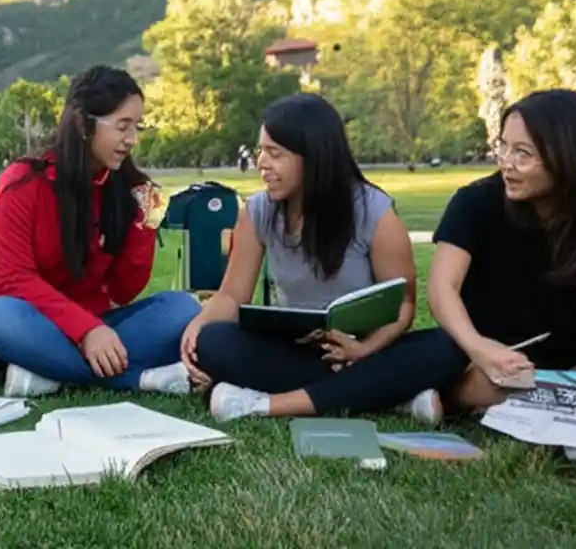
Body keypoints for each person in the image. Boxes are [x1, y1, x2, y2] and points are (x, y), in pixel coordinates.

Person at [183, 93, 466, 423]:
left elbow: (402, 306)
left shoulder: (374, 213)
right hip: (297, 349)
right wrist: (199, 325)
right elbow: (233, 295)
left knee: (448, 347)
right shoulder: (258, 212)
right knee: (214, 342)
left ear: (313, 157)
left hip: (365, 349)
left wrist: (363, 350)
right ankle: (387, 397)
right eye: (261, 151)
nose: (261, 163)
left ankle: (267, 404)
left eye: (275, 153)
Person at [0, 65, 200, 397]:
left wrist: (145, 224)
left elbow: (122, 291)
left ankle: (49, 372)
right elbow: (12, 279)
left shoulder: (127, 188)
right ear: (82, 123)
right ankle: (140, 379)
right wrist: (85, 330)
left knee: (182, 309)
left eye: (137, 127)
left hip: (101, 323)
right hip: (32, 322)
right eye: (122, 127)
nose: (132, 140)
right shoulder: (23, 182)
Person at [428, 89, 576, 419]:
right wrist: (479, 346)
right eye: (502, 146)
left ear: (568, 156)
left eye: (523, 153)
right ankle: (464, 397)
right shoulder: (476, 202)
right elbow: (442, 287)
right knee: (490, 378)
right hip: (497, 356)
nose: (506, 162)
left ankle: (542, 398)